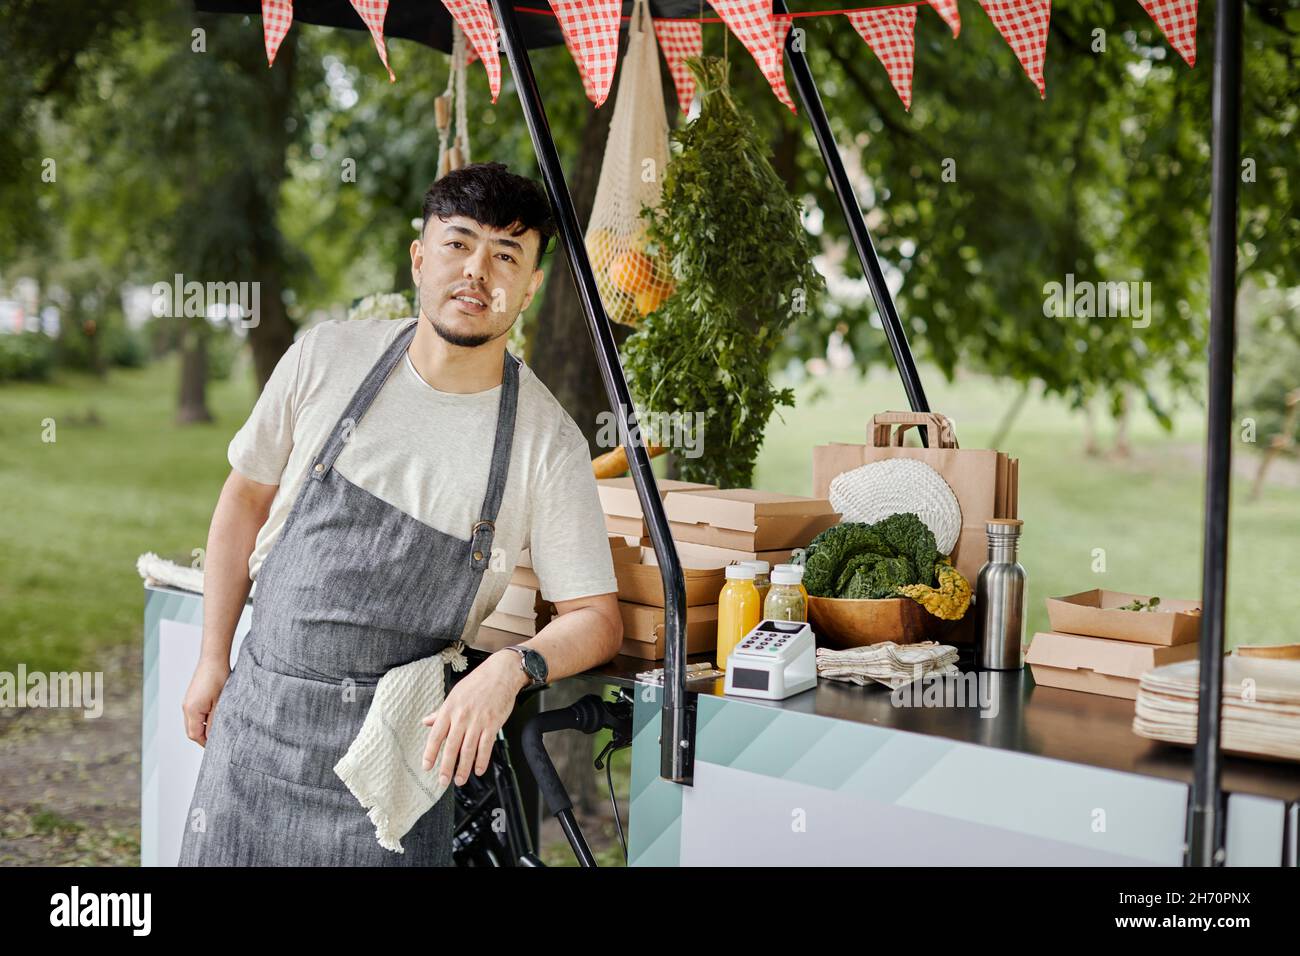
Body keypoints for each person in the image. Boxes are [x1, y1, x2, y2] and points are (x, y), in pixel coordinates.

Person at [177, 162, 623, 866]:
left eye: (506, 255)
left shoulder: (547, 442)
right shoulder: (327, 357)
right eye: (458, 243)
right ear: (420, 258)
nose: (478, 270)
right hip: (259, 728)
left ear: (531, 286)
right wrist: (211, 659)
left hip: (399, 766)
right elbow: (244, 498)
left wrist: (509, 670)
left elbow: (597, 618)